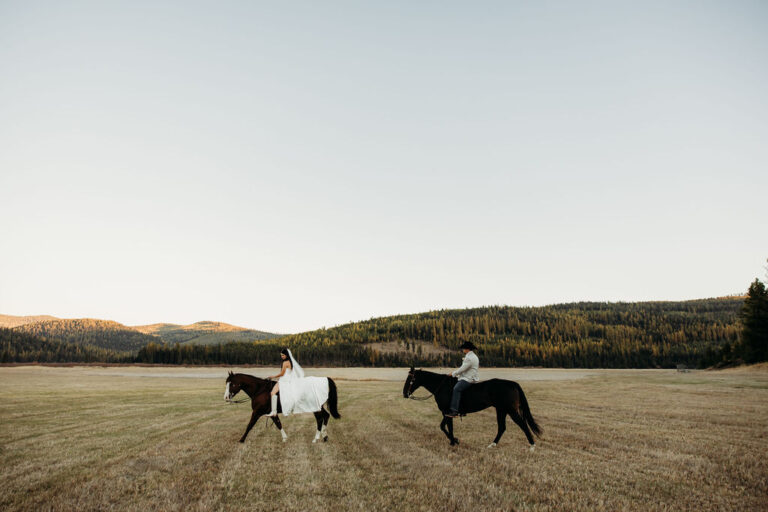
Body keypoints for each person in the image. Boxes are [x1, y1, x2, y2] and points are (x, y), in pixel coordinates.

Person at [265, 348, 328, 417]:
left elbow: (282, 374)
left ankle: (274, 412)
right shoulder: (290, 362)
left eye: (283, 355)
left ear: (286, 355)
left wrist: (272, 376)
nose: (282, 356)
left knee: (272, 393)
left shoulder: (285, 362)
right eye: (281, 355)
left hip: (284, 380)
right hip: (289, 379)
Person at [445, 341, 479, 418]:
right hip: (470, 377)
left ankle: (454, 410)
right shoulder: (473, 356)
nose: (462, 350)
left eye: (463, 348)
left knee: (456, 389)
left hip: (468, 379)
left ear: (467, 349)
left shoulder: (469, 358)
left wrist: (452, 374)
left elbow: (462, 369)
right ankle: (462, 409)